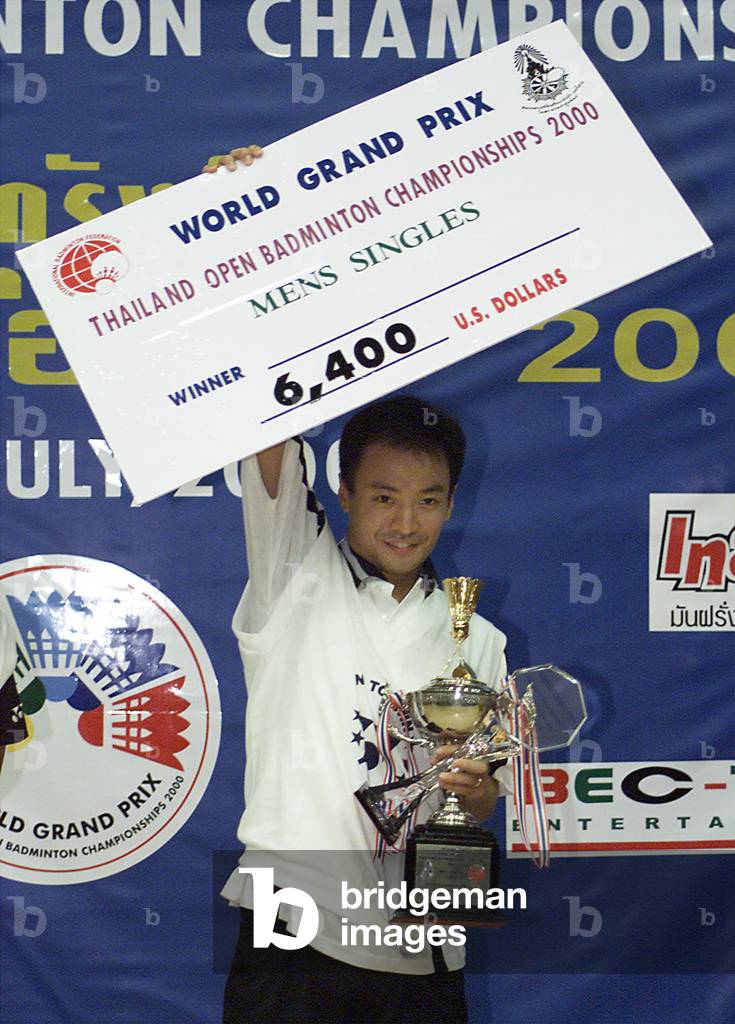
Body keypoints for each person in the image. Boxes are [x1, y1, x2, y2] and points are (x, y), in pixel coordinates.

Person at [206, 148, 511, 1024]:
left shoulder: (476, 641)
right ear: (341, 491)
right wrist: (251, 225)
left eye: (425, 501)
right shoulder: (292, 571)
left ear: (452, 503)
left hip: (420, 951)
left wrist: (478, 794)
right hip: (291, 936)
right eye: (383, 497)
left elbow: (476, 796)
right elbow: (264, 415)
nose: (404, 521)